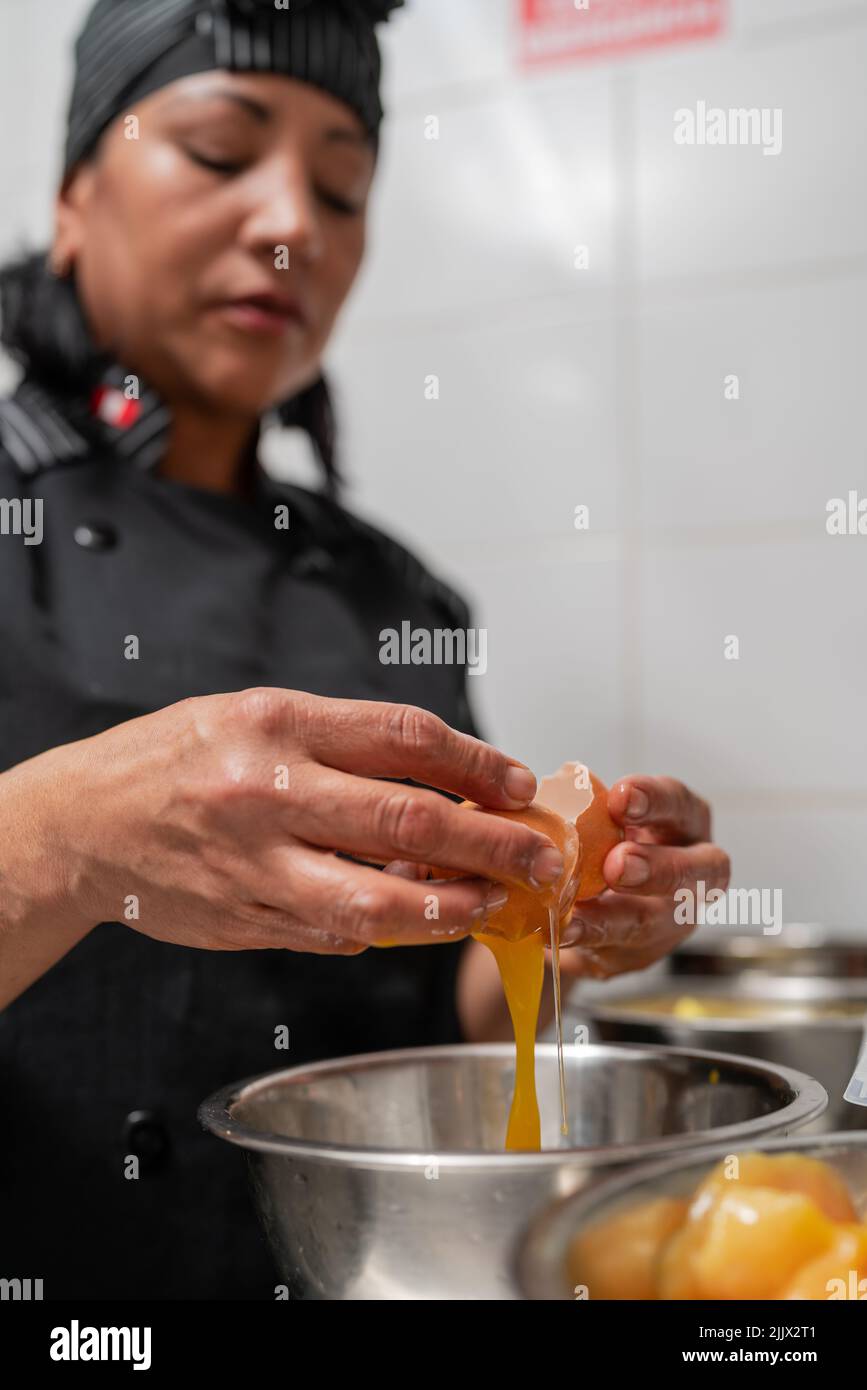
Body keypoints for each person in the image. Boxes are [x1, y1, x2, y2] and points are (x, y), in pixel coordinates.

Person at [0, 0, 730, 1299]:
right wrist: (69, 839)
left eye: (343, 187)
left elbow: (418, 1001)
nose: (294, 227)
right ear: (73, 198)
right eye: (224, 152)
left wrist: (560, 917)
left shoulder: (393, 588)